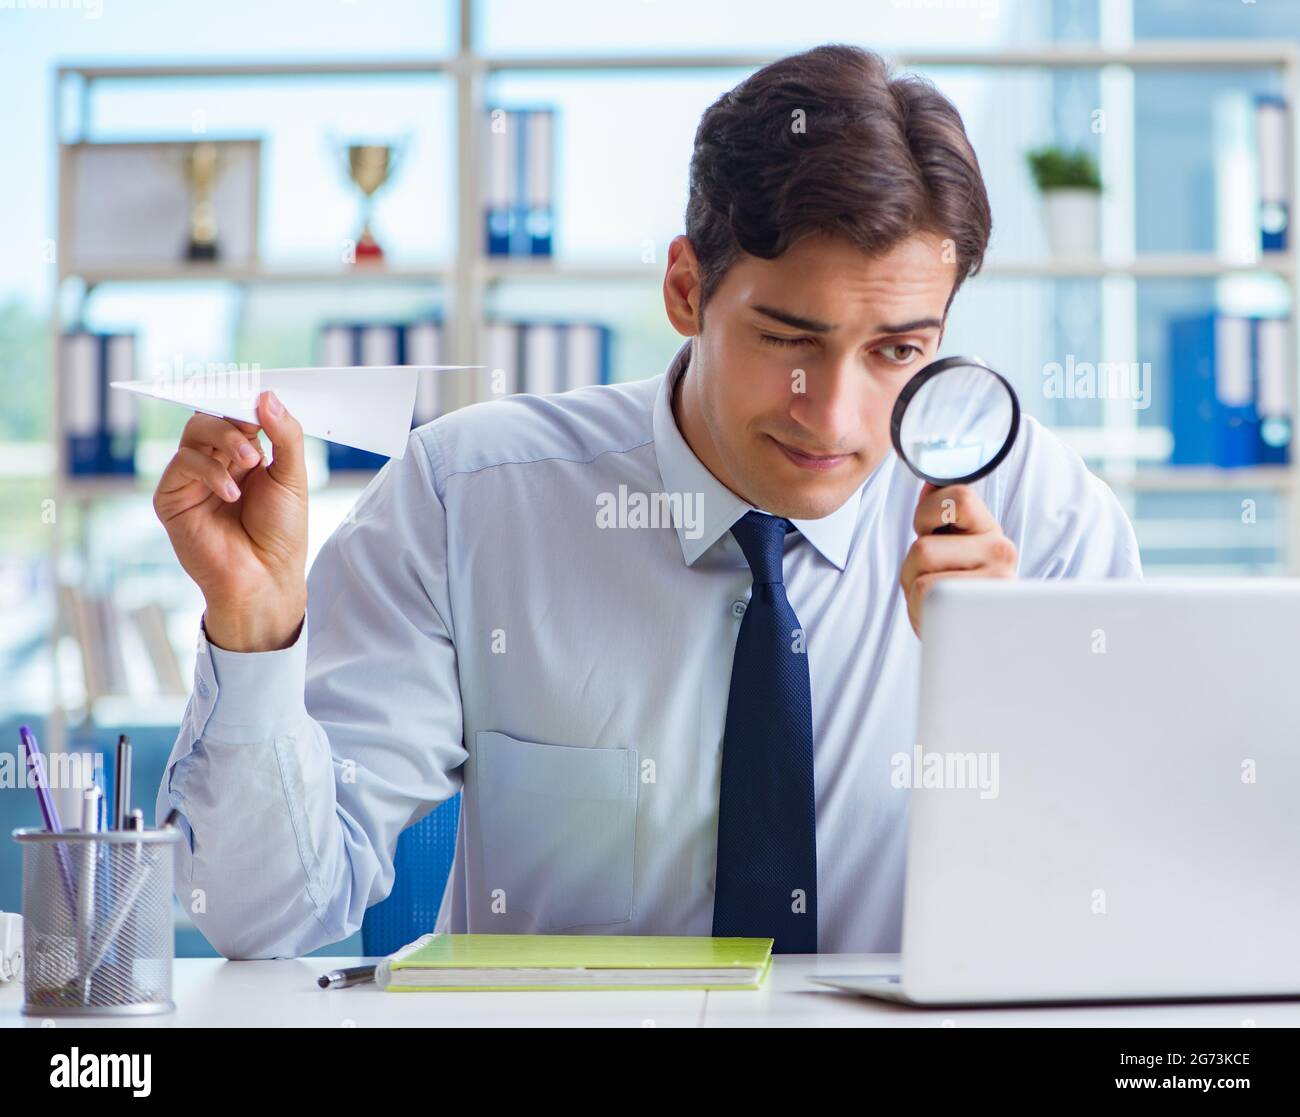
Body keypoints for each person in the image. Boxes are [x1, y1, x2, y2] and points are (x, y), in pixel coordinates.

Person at [152, 44, 1140, 959]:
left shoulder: (1035, 517)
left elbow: (1114, 919)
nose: (833, 413)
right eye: (788, 339)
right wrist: (254, 623)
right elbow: (258, 912)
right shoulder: (469, 503)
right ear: (684, 288)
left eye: (896, 352)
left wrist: (1005, 693)